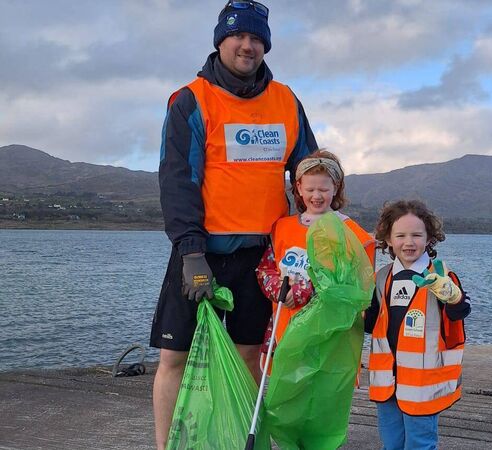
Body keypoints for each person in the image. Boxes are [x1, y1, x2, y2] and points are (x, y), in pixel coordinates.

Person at [148, 2, 317, 448]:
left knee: (249, 354)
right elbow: (178, 180)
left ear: (266, 46)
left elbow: (308, 174)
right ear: (220, 41)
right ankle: (166, 445)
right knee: (175, 357)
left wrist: (315, 237)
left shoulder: (285, 100)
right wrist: (190, 251)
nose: (248, 46)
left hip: (261, 257)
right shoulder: (191, 100)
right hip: (200, 254)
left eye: (257, 39)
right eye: (238, 37)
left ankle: (245, 440)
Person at [364, 200, 471, 450]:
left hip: (423, 384)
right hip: (386, 380)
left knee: (419, 444)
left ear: (429, 238)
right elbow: (371, 324)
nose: (408, 242)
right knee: (391, 444)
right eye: (400, 235)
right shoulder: (381, 278)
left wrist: (453, 296)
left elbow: (460, 312)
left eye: (416, 235)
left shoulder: (442, 274)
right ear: (388, 240)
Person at [257, 149, 375, 366]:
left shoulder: (350, 232)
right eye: (310, 189)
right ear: (299, 188)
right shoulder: (282, 228)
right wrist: (278, 289)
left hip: (327, 331)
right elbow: (266, 269)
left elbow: (354, 284)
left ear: (336, 187)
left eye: (323, 189)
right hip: (286, 323)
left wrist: (304, 290)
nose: (316, 196)